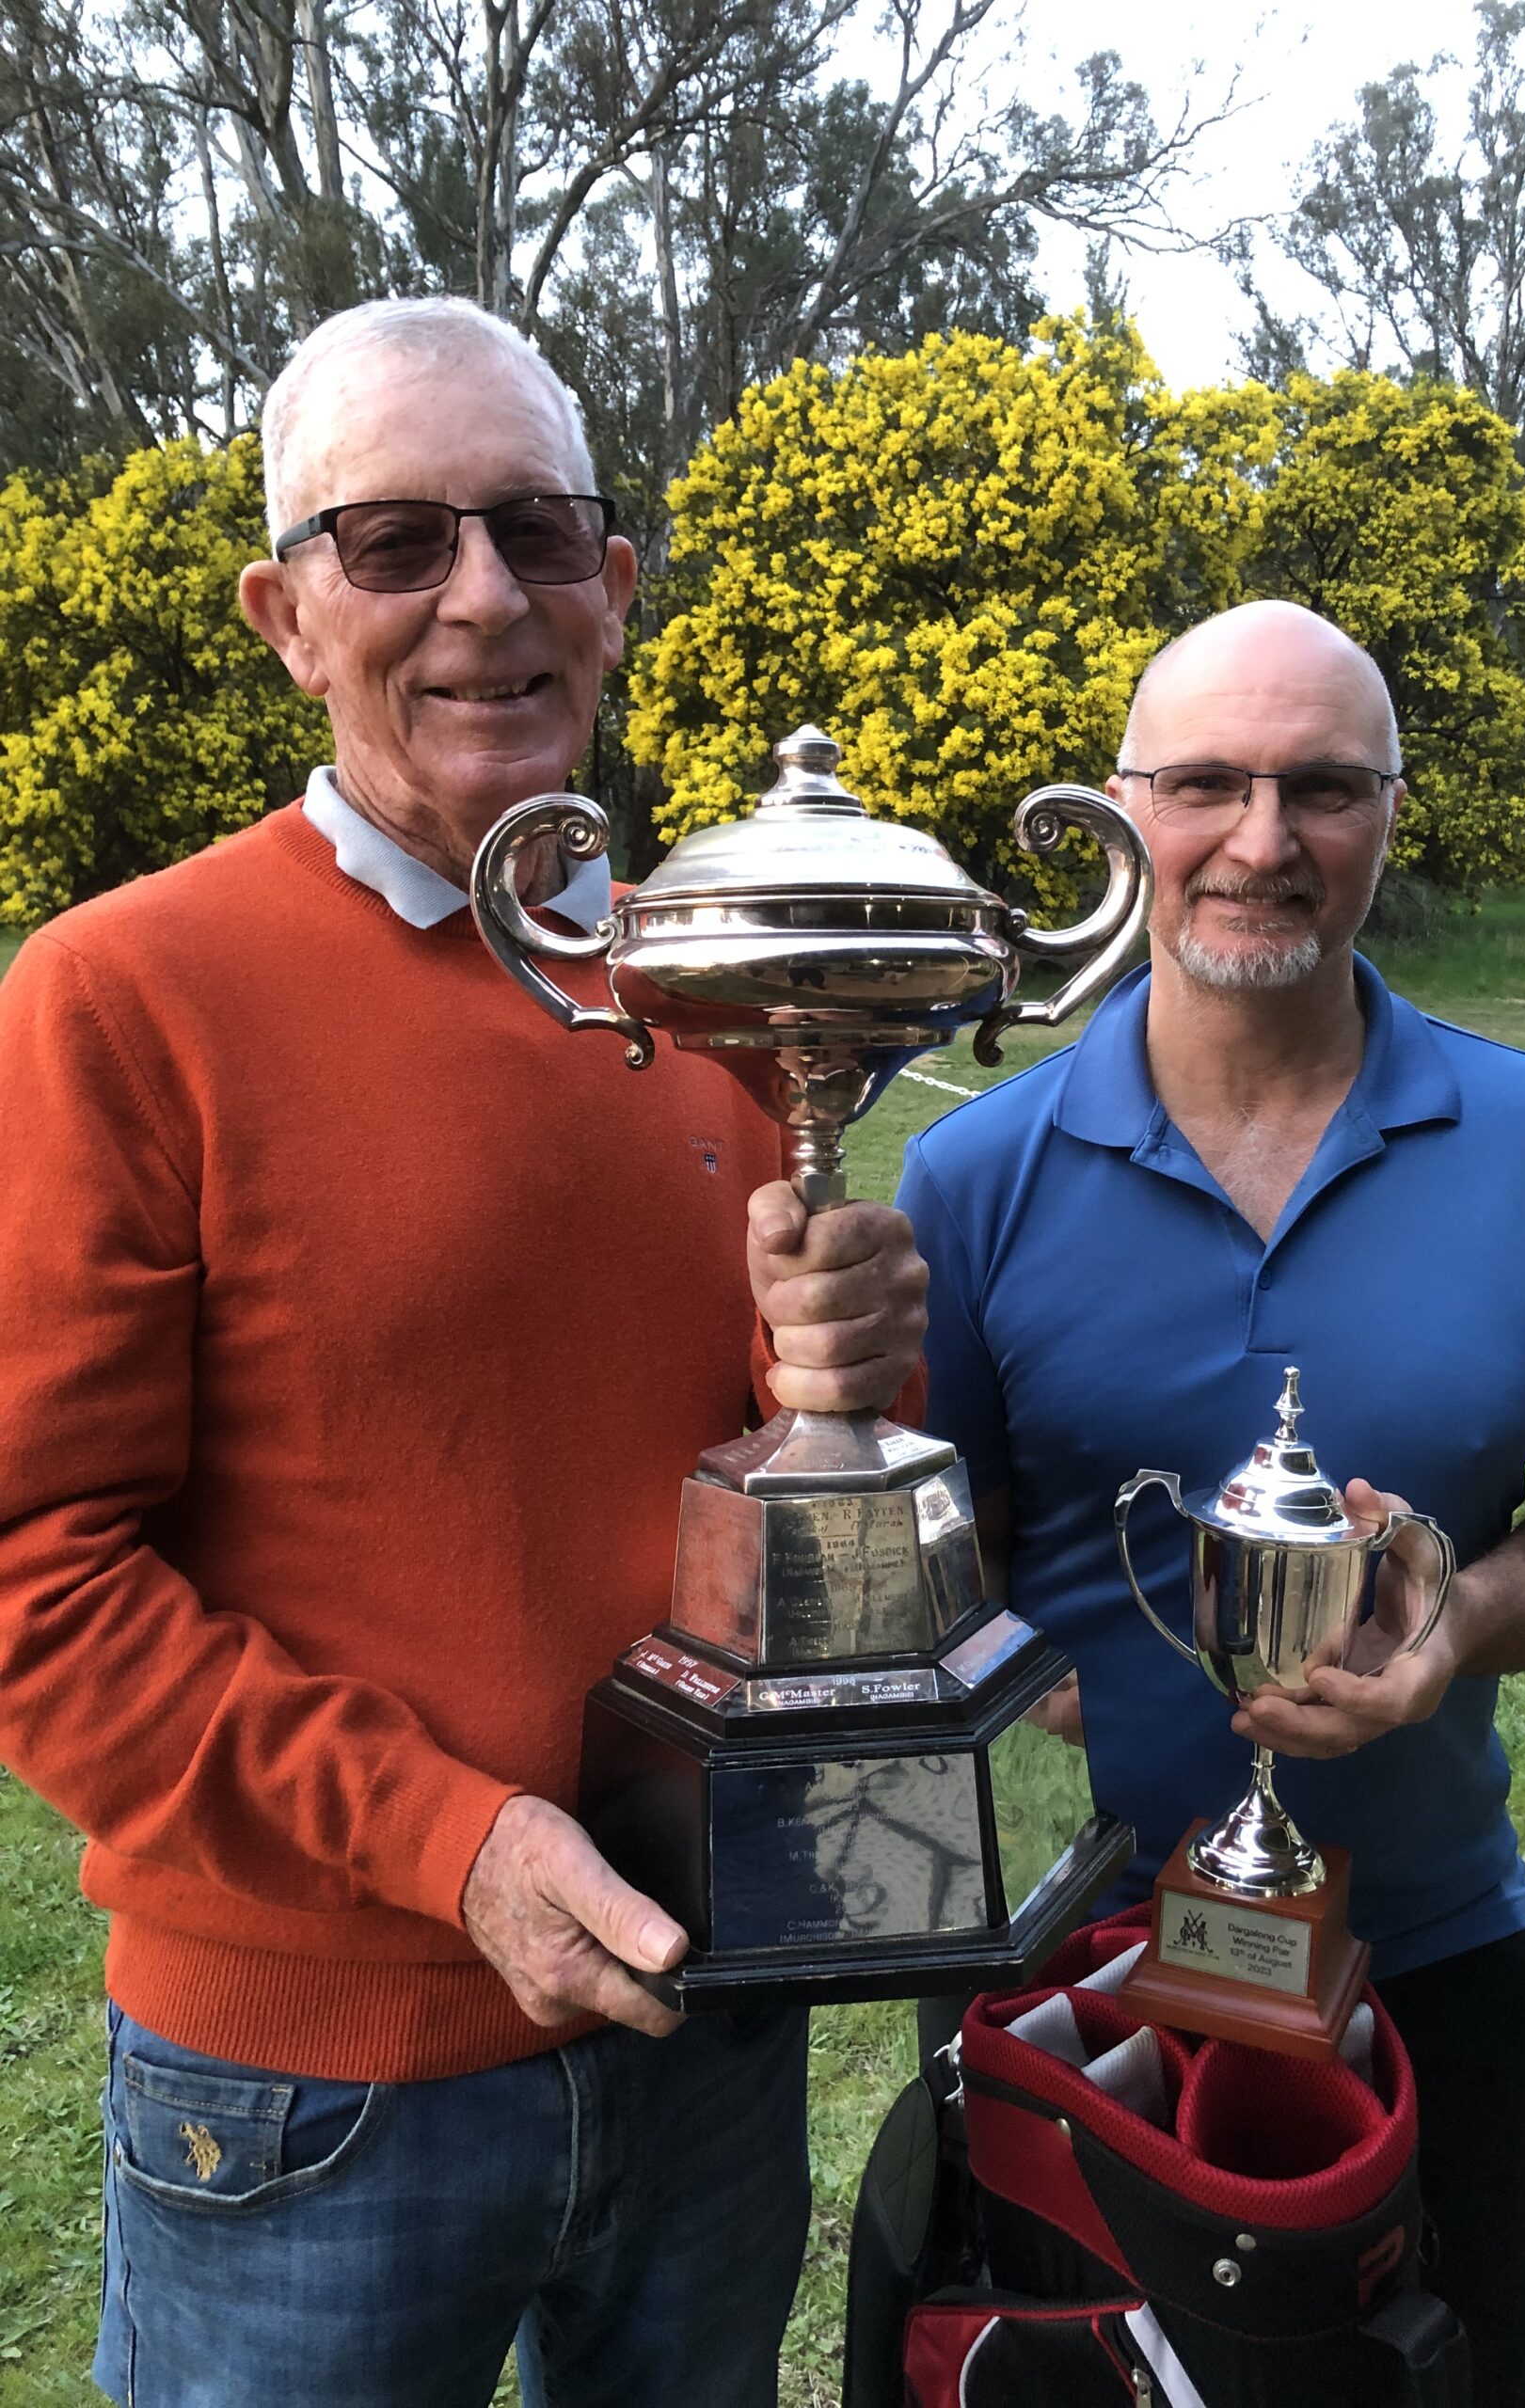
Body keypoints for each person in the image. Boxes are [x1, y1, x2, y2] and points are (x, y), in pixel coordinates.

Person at [0, 297, 928, 2408]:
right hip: (315, 2096)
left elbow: (765, 1479)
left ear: (618, 583)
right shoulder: (124, 997)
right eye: (397, 540)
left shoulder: (707, 978)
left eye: (538, 527)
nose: (485, 595)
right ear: (285, 616)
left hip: (701, 2027)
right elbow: (33, 1585)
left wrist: (862, 1365)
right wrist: (458, 1843)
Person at [896, 599, 1525, 2408]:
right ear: (1125, 817)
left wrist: (1465, 1619)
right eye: (1207, 785)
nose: (1263, 843)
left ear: (1391, 816)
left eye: (1322, 790)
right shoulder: (972, 1174)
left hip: (1427, 1958)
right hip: (1063, 1976)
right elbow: (925, 1578)